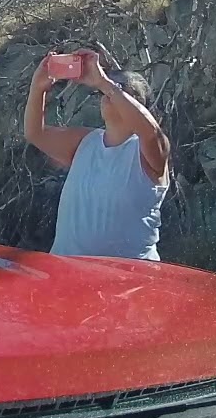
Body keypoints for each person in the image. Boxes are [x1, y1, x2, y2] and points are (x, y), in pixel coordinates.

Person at [23, 48, 171, 261]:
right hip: (67, 274)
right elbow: (34, 132)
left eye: (122, 88)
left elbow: (151, 132)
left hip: (130, 281)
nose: (108, 93)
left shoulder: (148, 149)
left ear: (139, 104)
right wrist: (38, 89)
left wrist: (104, 83)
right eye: (105, 91)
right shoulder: (85, 142)